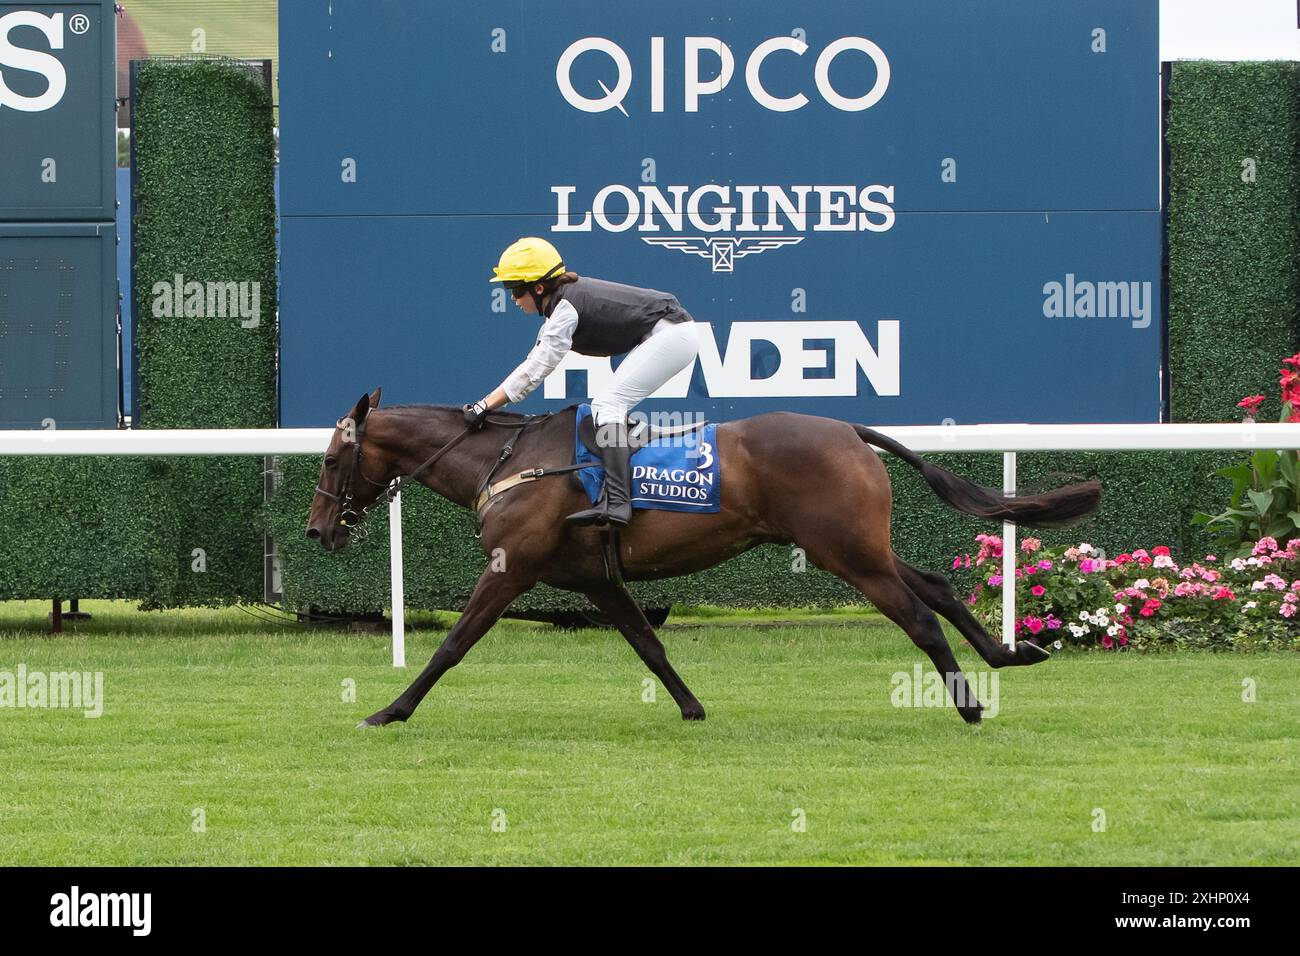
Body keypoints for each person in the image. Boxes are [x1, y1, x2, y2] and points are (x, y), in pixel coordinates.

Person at [467, 237, 700, 527]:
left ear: (539, 288)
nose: (513, 298)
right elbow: (532, 362)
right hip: (668, 334)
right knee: (608, 404)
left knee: (607, 404)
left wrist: (483, 406)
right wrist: (484, 405)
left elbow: (535, 371)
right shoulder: (562, 304)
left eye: (515, 289)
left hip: (672, 335)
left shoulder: (566, 309)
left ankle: (618, 503)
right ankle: (616, 492)